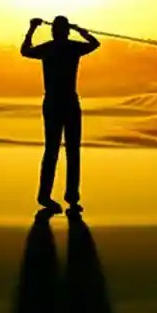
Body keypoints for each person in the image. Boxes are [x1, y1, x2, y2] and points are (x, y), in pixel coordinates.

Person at [21, 15, 99, 213]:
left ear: (54, 31)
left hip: (54, 103)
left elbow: (25, 51)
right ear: (66, 31)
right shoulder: (73, 47)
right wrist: (80, 30)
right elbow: (95, 43)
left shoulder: (48, 48)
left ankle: (46, 196)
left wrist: (31, 29)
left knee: (52, 151)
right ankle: (70, 197)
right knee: (71, 151)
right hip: (68, 103)